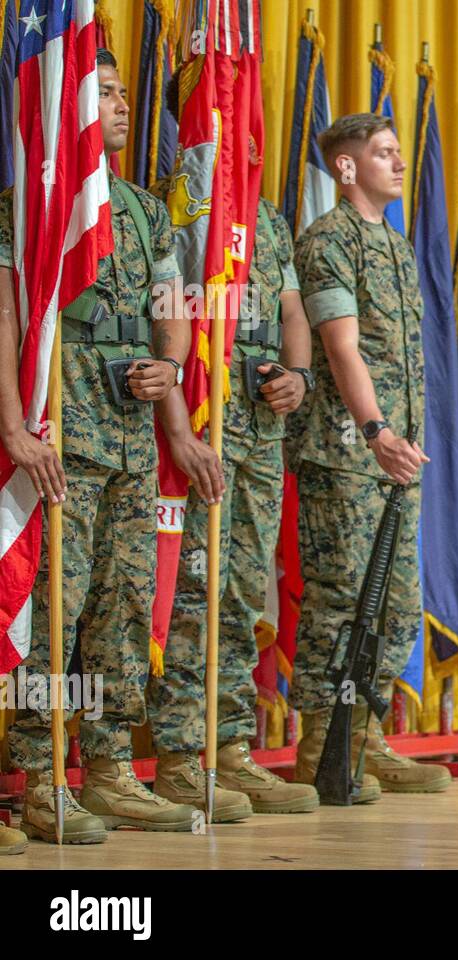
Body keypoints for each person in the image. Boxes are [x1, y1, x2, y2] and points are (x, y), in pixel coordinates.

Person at [0, 49, 194, 844]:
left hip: (131, 439)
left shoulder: (147, 210)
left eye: (122, 94)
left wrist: (171, 367)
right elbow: (9, 320)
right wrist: (14, 424)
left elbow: (173, 303)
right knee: (57, 613)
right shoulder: (32, 205)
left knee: (120, 609)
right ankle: (42, 772)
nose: (119, 106)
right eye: (103, 94)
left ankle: (110, 768)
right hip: (63, 436)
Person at [143, 76, 320, 820]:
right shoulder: (179, 212)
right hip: (196, 424)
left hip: (258, 427)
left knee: (245, 590)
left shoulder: (270, 221)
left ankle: (234, 749)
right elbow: (166, 325)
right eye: (229, 123)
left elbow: (291, 312)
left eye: (251, 126)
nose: (244, 140)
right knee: (194, 591)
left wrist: (301, 377)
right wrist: (181, 425)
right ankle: (183, 755)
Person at [287, 113, 449, 795]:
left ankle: (366, 737)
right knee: (342, 599)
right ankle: (322, 744)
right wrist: (376, 430)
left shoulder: (397, 244)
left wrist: (399, 441)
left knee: (397, 604)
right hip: (348, 450)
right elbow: (339, 345)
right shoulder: (329, 241)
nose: (399, 162)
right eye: (383, 153)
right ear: (346, 167)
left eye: (399, 150)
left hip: (395, 460)